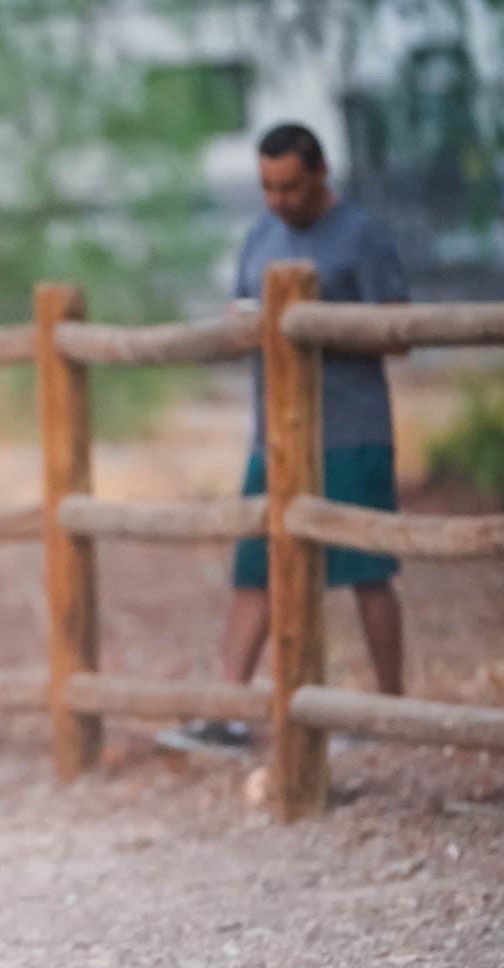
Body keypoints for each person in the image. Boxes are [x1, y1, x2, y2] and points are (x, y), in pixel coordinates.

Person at [160, 123, 409, 754]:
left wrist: (311, 327)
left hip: (350, 429)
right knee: (256, 570)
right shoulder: (261, 234)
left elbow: (401, 332)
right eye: (268, 187)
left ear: (321, 174)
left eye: (289, 186)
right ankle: (231, 711)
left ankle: (390, 712)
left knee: (367, 570)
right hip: (272, 434)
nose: (278, 200)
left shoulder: (364, 236)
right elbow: (244, 310)